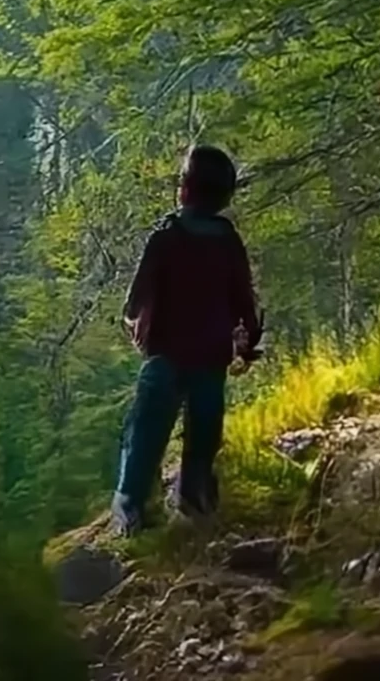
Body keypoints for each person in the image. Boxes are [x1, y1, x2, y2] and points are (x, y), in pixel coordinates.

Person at [110, 144, 263, 537]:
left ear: (186, 190)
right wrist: (246, 342)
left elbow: (134, 298)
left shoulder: (165, 236)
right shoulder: (229, 240)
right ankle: (195, 499)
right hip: (211, 357)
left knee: (144, 431)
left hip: (165, 355)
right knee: (204, 434)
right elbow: (246, 302)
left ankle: (130, 505)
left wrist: (133, 322)